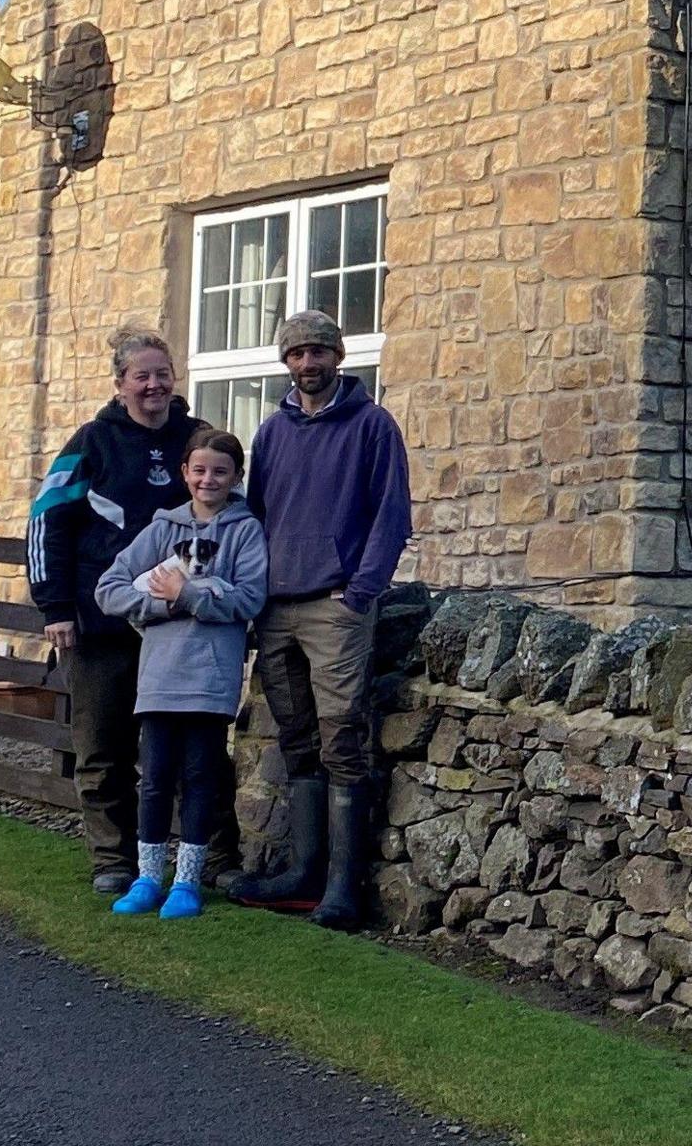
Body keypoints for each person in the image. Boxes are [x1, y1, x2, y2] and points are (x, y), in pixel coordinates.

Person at [232, 310, 411, 928]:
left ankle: (344, 887)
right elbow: (254, 520)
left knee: (342, 738)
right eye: (297, 354)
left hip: (336, 605)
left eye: (319, 351)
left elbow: (392, 516)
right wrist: (253, 593)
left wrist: (361, 592)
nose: (308, 363)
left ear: (340, 356)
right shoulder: (271, 434)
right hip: (276, 608)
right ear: (286, 362)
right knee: (297, 737)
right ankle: (304, 874)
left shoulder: (373, 426)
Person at [29, 326, 202, 895]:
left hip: (178, 625)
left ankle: (205, 859)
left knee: (185, 749)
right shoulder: (90, 443)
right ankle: (113, 861)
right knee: (102, 749)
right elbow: (46, 522)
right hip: (99, 622)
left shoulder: (197, 439)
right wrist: (54, 605)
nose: (153, 385)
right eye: (141, 376)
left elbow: (229, 517)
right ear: (120, 383)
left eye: (162, 374)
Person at [93, 427, 269, 919]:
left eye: (220, 471)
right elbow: (109, 589)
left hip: (210, 678)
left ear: (236, 476)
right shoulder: (162, 530)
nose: (208, 479)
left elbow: (251, 598)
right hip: (160, 675)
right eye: (199, 470)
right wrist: (163, 603)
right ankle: (149, 876)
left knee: (200, 778)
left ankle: (187, 882)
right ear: (184, 474)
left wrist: (189, 594)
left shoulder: (245, 531)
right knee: (155, 779)